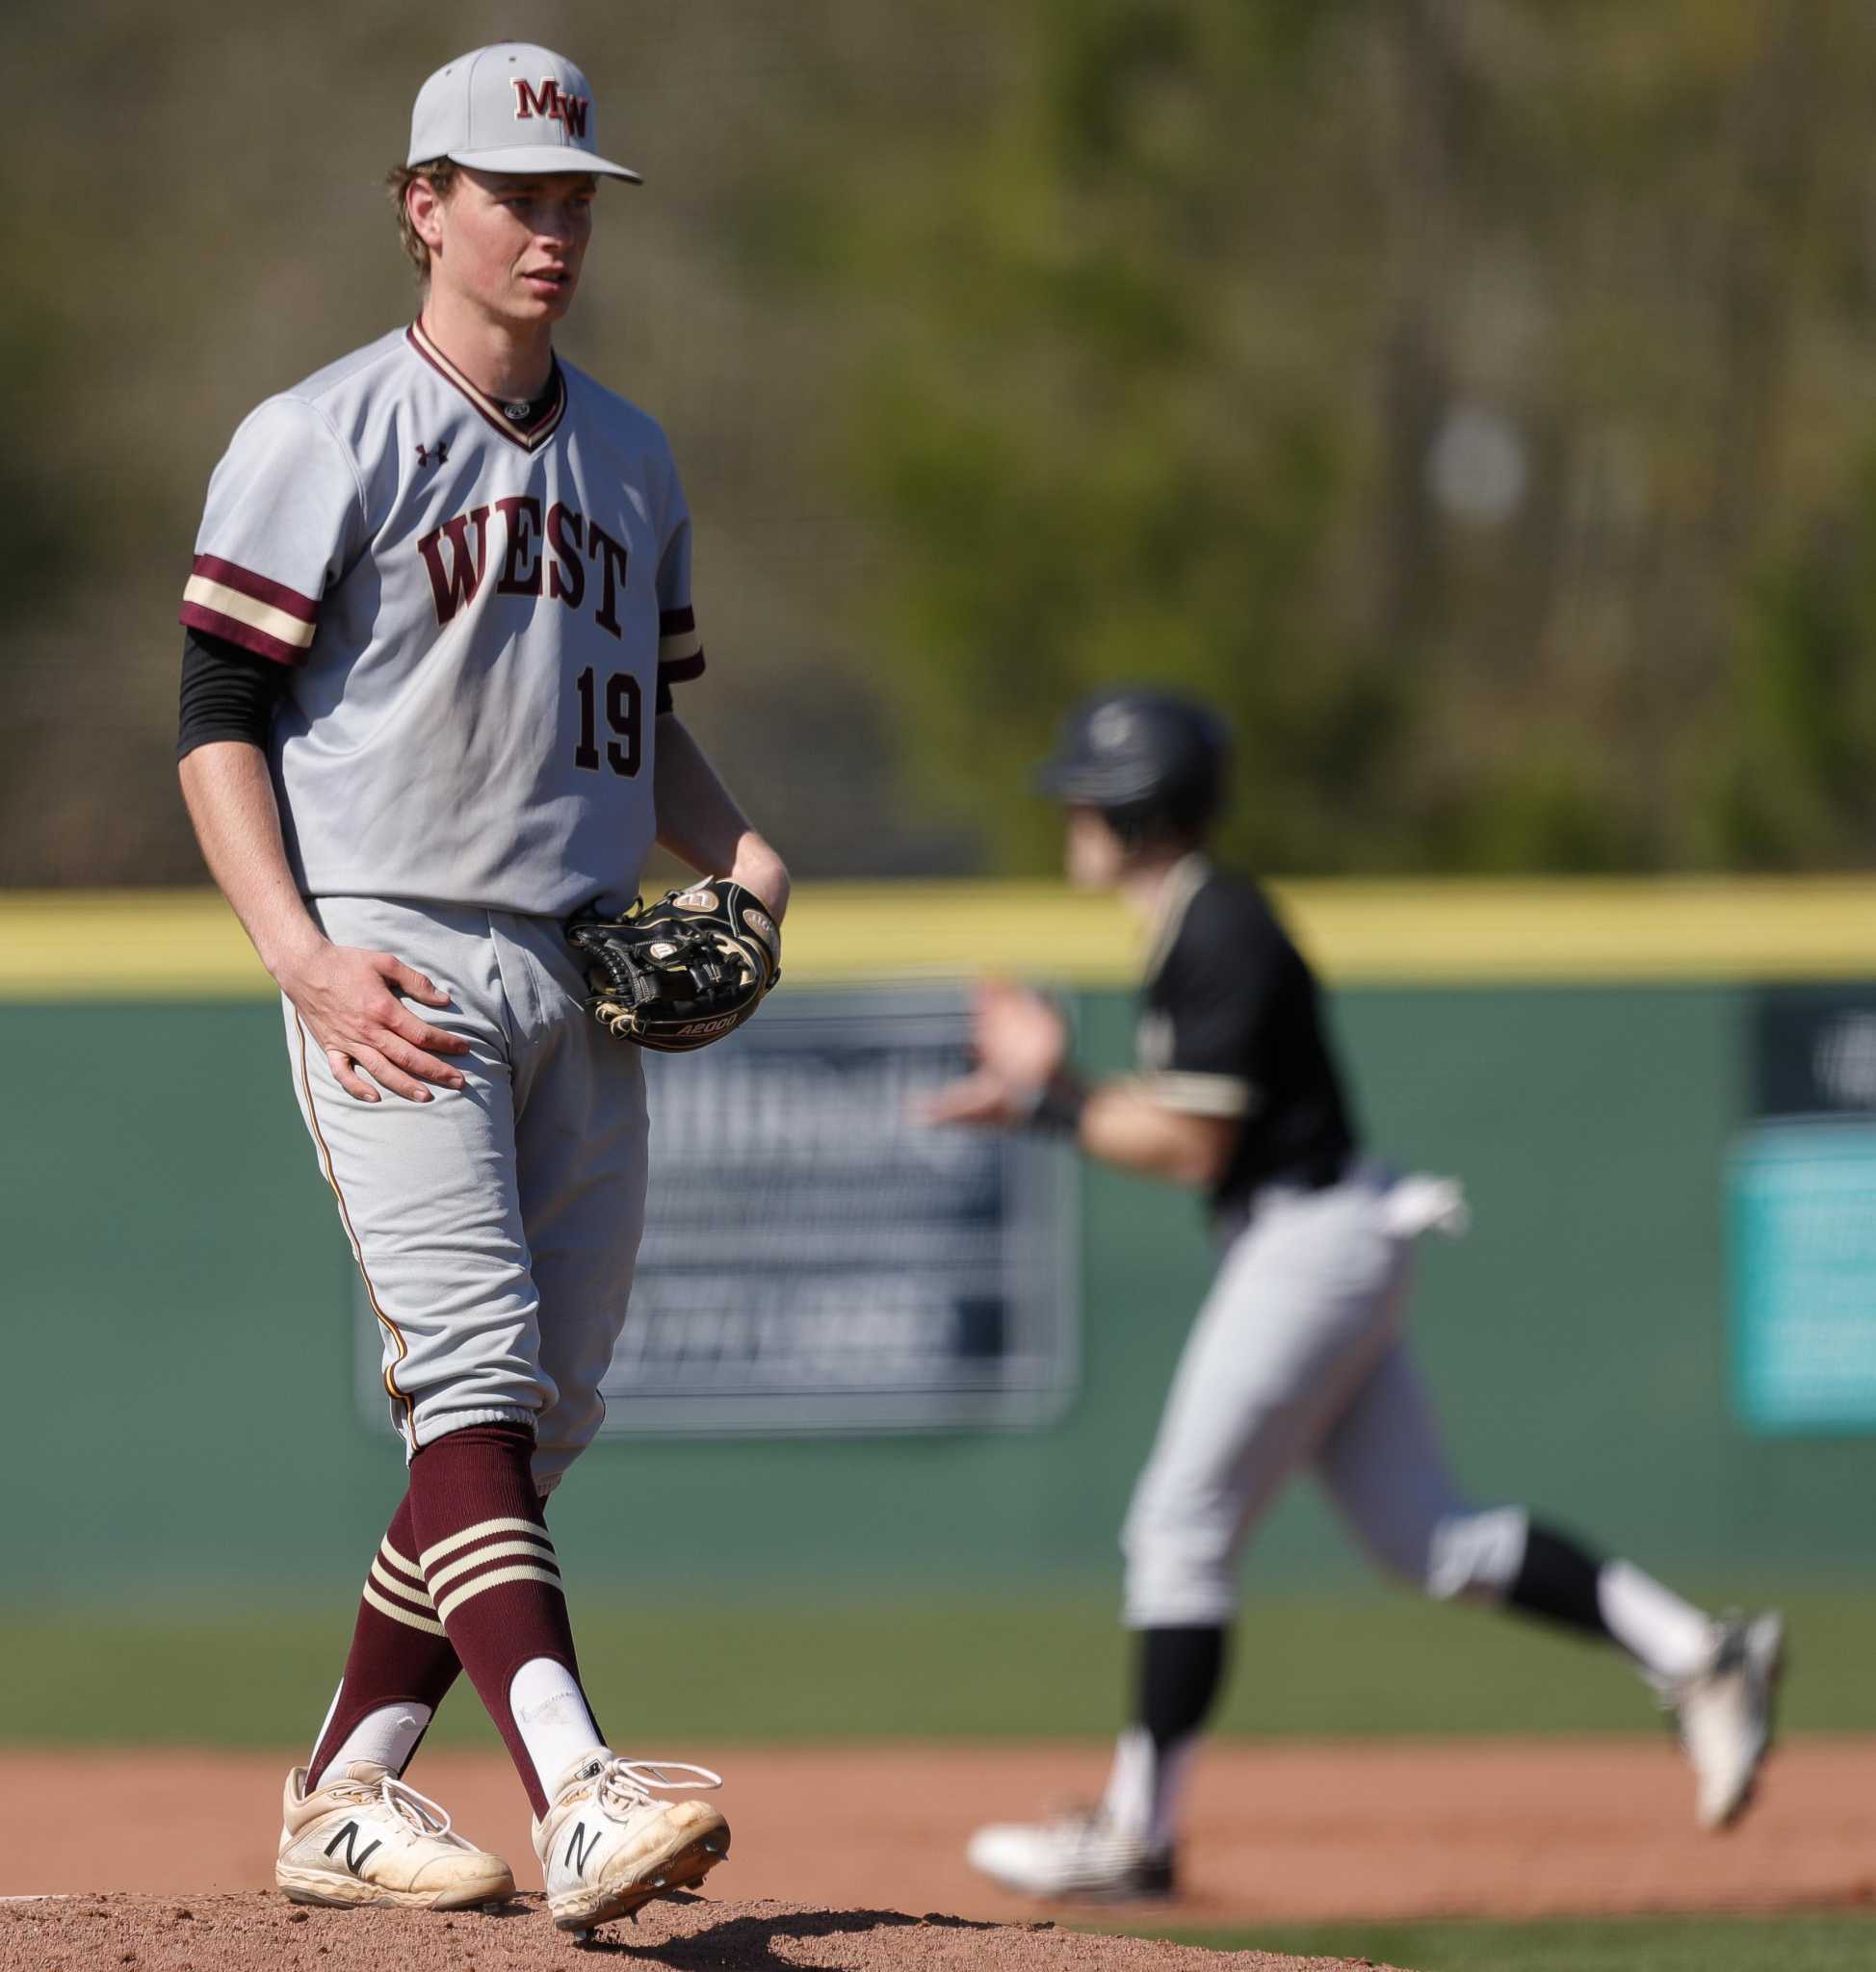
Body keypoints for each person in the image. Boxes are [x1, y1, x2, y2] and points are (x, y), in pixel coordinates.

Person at [175, 43, 787, 1934]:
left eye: (573, 196)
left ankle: (345, 1790)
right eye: (515, 193)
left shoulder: (630, 452)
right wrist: (301, 957)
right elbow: (212, 722)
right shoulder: (320, 433)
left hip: (577, 964)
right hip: (390, 947)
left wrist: (745, 853)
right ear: (420, 204)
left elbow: (636, 726)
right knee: (473, 1374)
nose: (550, 226)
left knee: (543, 1411)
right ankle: (576, 1780)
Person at [925, 689, 1783, 1902]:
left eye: (1086, 793)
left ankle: (1137, 1834)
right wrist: (1049, 1094)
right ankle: (1700, 1650)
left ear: (1138, 805)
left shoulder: (1217, 922)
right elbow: (1190, 1131)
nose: (1068, 812)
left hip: (1312, 1240)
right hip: (1328, 1232)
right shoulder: (1195, 918)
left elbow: (1191, 1147)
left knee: (1177, 1529)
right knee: (1429, 1539)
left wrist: (1051, 1094)